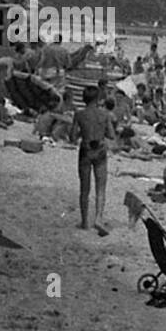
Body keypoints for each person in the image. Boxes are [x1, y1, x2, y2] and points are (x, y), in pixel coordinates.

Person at [69, 85, 115, 233]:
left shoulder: (79, 114)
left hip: (86, 150)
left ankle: (84, 222)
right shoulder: (105, 115)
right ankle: (98, 219)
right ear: (97, 99)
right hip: (100, 149)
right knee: (100, 188)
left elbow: (72, 137)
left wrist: (84, 132)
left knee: (85, 188)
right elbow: (111, 135)